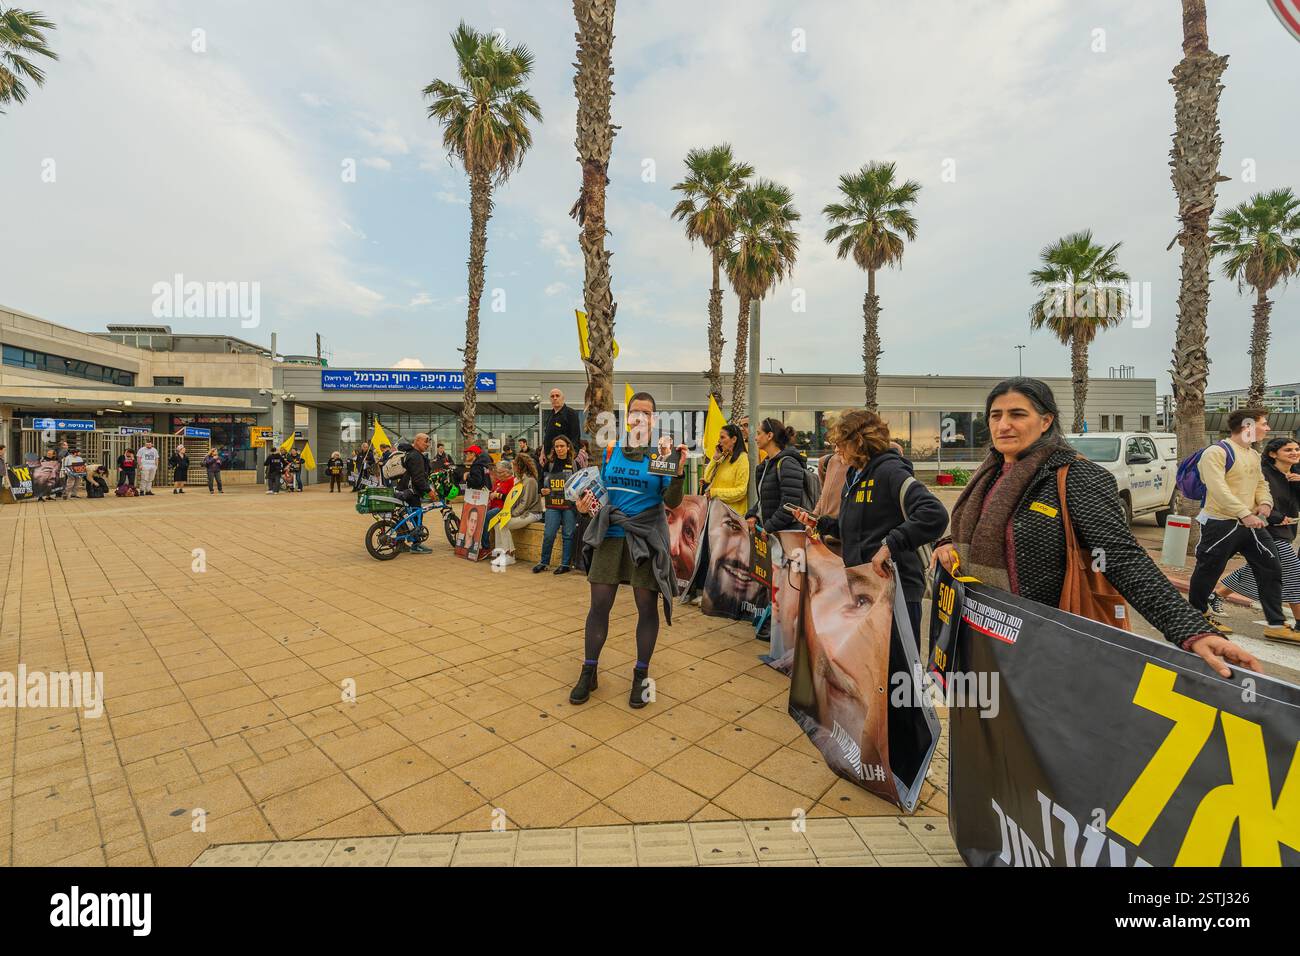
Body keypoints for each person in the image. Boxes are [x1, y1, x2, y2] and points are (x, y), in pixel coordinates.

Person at [933, 377, 1260, 679]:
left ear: (1045, 421)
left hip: (1043, 646)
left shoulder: (1075, 476)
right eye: (995, 415)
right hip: (978, 636)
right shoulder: (989, 474)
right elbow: (981, 528)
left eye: (1017, 414)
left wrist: (1191, 630)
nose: (1003, 425)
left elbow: (1120, 556)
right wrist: (949, 541)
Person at [793, 408, 949, 651]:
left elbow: (934, 514)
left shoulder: (890, 471)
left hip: (896, 590)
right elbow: (858, 529)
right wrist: (820, 522)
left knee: (898, 672)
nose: (837, 450)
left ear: (858, 441)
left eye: (840, 443)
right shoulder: (854, 476)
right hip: (865, 587)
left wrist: (890, 545)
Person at [572, 392, 688, 709]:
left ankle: (640, 675)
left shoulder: (659, 456)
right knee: (599, 605)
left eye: (646, 413)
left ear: (653, 420)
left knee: (646, 607)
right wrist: (586, 505)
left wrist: (678, 471)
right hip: (610, 535)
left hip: (646, 536)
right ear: (627, 417)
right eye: (635, 411)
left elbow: (673, 502)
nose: (640, 417)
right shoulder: (610, 451)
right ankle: (589, 670)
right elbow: (600, 494)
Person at [1186, 408, 1294, 641]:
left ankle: (1276, 625)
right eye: (1263, 424)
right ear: (1247, 426)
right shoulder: (1216, 452)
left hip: (1252, 525)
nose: (1267, 428)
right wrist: (1244, 513)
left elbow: (1260, 483)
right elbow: (1217, 488)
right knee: (1209, 569)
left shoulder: (1253, 455)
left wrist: (1265, 503)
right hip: (1221, 524)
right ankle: (1197, 614)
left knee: (1271, 567)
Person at [1215, 436, 1300, 641]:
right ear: (1273, 453)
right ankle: (1296, 624)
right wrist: (1276, 517)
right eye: (1288, 450)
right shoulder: (1265, 474)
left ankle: (1216, 594)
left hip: (1287, 530)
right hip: (1265, 529)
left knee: (1259, 568)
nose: (1294, 453)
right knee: (1295, 573)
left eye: (1297, 449)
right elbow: (1254, 499)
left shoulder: (1296, 473)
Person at [746, 418, 806, 536]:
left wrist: (769, 527)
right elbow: (765, 499)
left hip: (787, 536)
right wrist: (753, 514)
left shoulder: (787, 463)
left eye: (758, 433)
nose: (755, 438)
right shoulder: (767, 464)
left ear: (769, 435)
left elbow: (790, 505)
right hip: (774, 534)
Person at [483, 454, 543, 566]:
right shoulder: (519, 480)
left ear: (520, 466)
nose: (512, 466)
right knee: (497, 524)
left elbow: (525, 503)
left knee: (504, 524)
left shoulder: (530, 481)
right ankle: (501, 554)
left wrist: (511, 514)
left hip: (532, 513)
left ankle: (510, 555)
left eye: (514, 464)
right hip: (520, 511)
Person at [534, 435, 579, 574]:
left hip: (569, 506)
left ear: (568, 447)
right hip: (552, 505)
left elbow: (581, 483)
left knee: (568, 534)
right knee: (549, 534)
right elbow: (541, 482)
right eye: (557, 446)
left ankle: (565, 564)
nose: (559, 449)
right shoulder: (549, 463)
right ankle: (544, 562)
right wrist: (542, 490)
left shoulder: (575, 464)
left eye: (562, 446)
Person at [393, 433, 435, 554]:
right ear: (417, 441)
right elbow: (418, 478)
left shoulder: (411, 454)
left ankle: (400, 543)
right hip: (411, 492)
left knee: (407, 517)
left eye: (428, 442)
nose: (427, 445)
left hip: (404, 489)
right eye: (425, 442)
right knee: (417, 517)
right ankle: (416, 545)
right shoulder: (416, 456)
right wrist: (429, 490)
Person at [702, 423, 749, 514]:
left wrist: (714, 493)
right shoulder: (724, 457)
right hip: (718, 512)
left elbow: (741, 491)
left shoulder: (742, 459)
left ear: (734, 439)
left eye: (723, 437)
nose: (719, 441)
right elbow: (707, 478)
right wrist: (715, 458)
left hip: (731, 516)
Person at [541, 387, 582, 471]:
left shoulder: (571, 414)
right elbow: (547, 437)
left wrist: (571, 457)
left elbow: (575, 437)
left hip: (564, 460)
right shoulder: (550, 415)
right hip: (550, 460)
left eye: (557, 396)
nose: (555, 398)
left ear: (563, 398)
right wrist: (542, 453)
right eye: (552, 396)